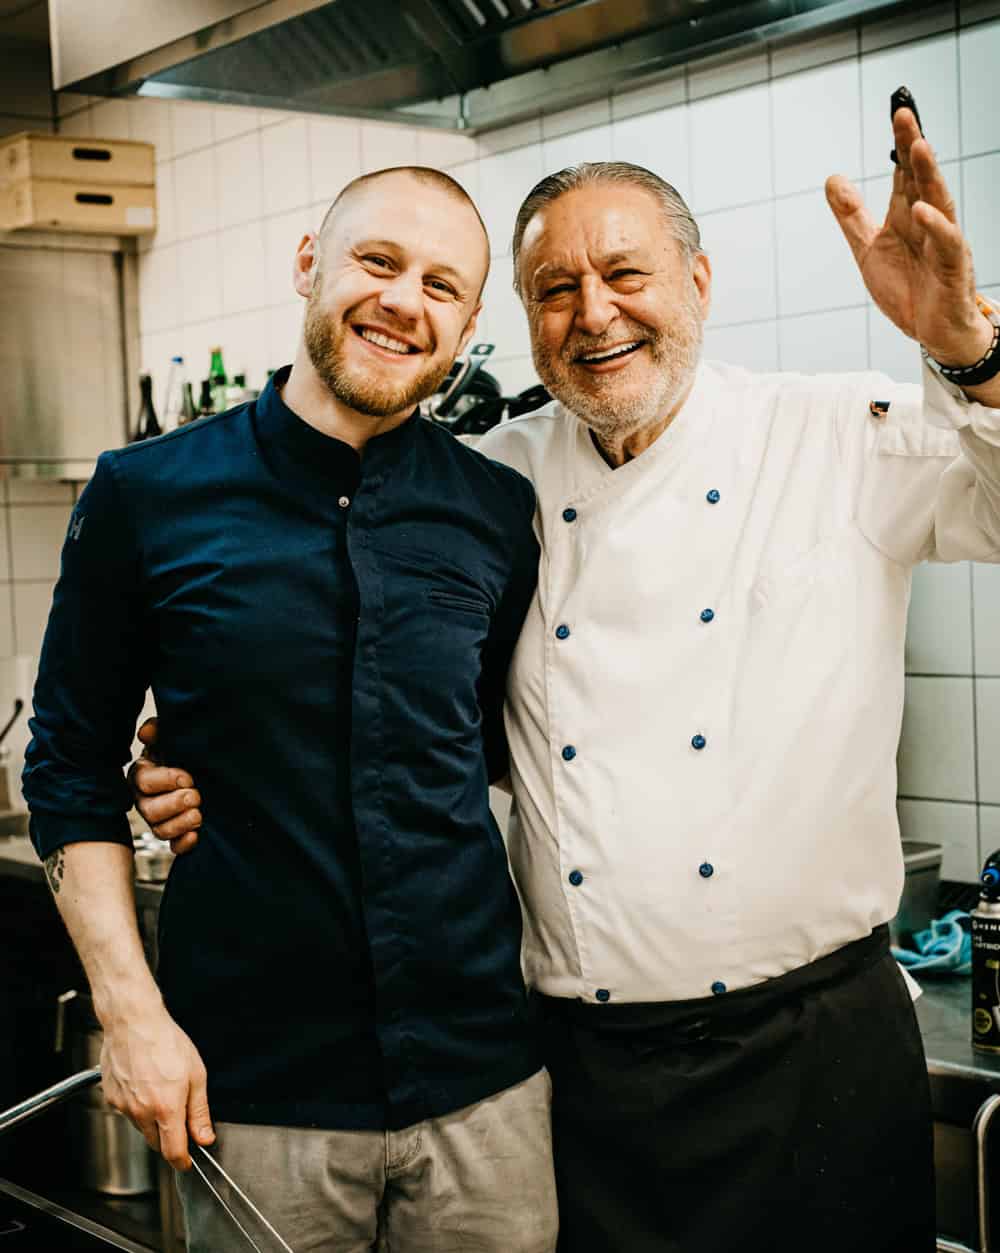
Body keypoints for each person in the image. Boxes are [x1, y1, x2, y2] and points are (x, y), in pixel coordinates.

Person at [134, 105, 1000, 1252]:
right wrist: (198, 751)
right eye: (553, 288)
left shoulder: (834, 431)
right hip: (574, 1074)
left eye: (626, 272)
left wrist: (970, 353)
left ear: (697, 278)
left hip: (810, 1055)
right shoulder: (489, 481)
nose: (594, 314)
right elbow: (343, 665)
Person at [22, 165, 559, 1253]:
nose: (405, 300)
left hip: (485, 1085)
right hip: (251, 1087)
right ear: (309, 264)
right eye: (377, 260)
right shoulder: (144, 493)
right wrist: (131, 1014)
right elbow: (66, 769)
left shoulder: (497, 510)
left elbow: (496, 747)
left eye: (442, 286)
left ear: (463, 329)